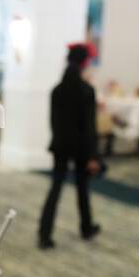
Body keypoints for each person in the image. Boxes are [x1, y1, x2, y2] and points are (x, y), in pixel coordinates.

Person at [38, 42, 102, 247]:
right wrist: (93, 154)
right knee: (82, 188)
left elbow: (53, 122)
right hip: (82, 147)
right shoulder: (87, 91)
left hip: (61, 145)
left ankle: (44, 234)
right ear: (84, 63)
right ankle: (86, 226)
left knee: (55, 188)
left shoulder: (57, 90)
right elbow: (90, 126)